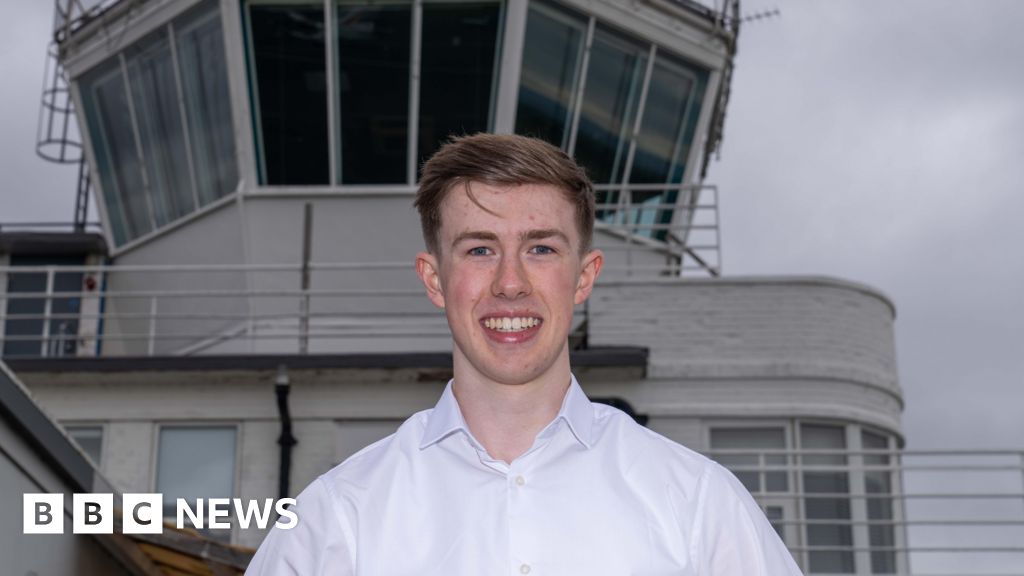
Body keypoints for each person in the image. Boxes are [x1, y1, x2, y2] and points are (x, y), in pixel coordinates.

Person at [246, 134, 803, 575]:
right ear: (435, 279)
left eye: (540, 248)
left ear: (583, 277)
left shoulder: (699, 504)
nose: (510, 283)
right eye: (480, 249)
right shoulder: (333, 519)